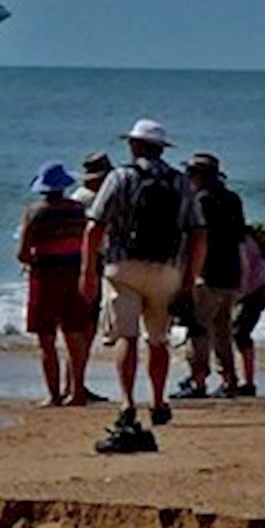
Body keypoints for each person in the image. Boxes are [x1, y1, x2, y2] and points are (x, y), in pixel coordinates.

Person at [81, 118, 197, 441]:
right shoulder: (180, 181)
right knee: (157, 340)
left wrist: (87, 271)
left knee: (126, 338)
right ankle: (159, 401)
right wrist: (189, 276)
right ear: (161, 149)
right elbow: (198, 232)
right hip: (167, 269)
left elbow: (95, 227)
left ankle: (128, 402)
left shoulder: (119, 177)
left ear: (134, 146)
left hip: (123, 266)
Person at [13, 164, 97, 408]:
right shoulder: (79, 211)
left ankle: (53, 395)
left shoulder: (34, 213)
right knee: (75, 334)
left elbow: (23, 253)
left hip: (45, 278)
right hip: (75, 275)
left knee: (47, 338)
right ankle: (77, 391)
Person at [183, 150, 252, 400]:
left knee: (198, 329)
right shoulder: (233, 199)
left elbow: (194, 237)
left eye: (191, 173)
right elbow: (241, 236)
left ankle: (198, 381)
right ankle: (229, 381)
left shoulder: (200, 200)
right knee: (222, 331)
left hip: (206, 273)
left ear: (199, 176)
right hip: (231, 273)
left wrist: (191, 274)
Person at [231, 224, 265, 395]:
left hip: (258, 287)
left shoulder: (239, 240)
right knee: (238, 332)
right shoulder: (245, 235)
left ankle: (248, 383)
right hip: (262, 284)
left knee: (240, 333)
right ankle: (245, 381)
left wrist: (235, 297)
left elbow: (243, 270)